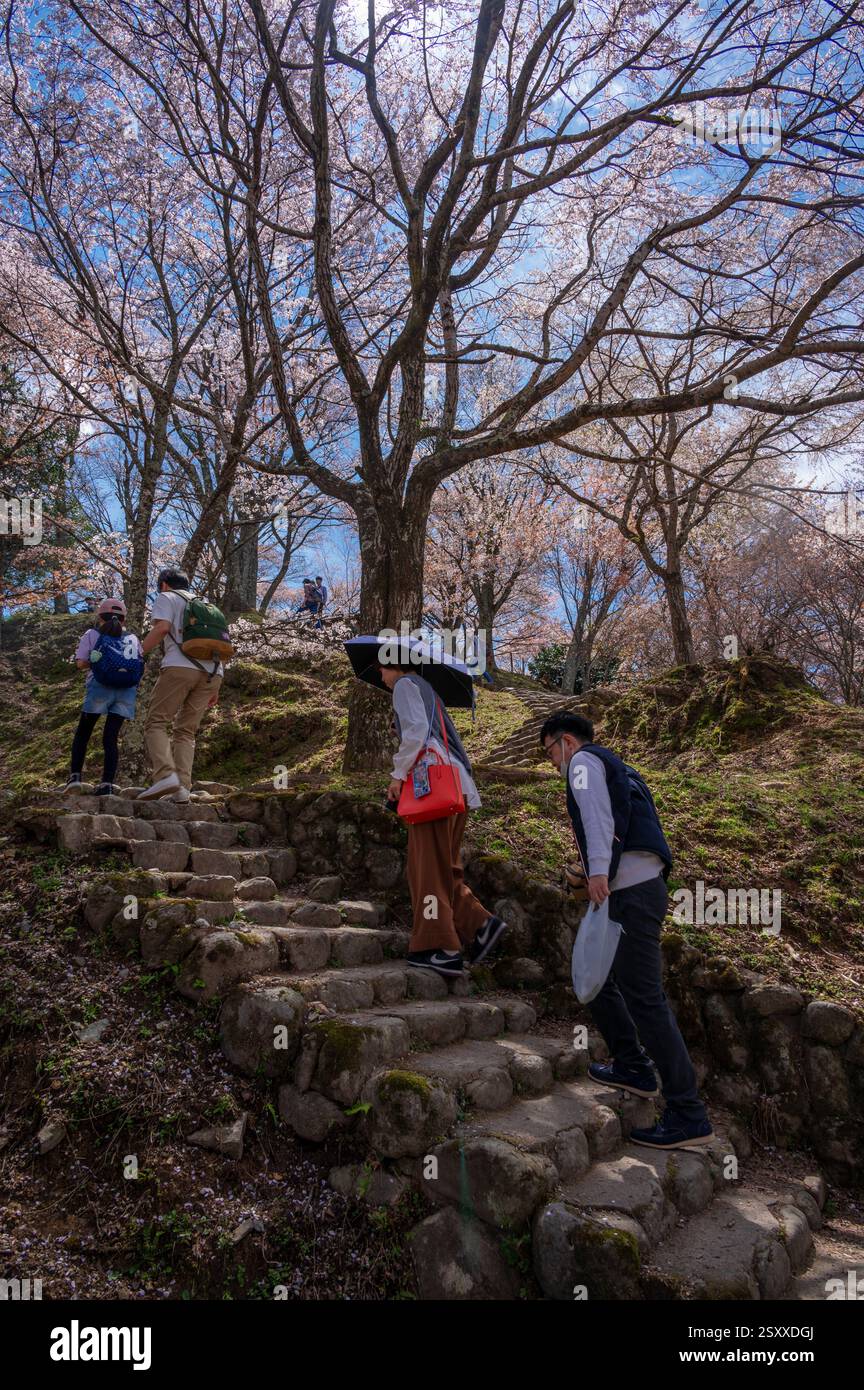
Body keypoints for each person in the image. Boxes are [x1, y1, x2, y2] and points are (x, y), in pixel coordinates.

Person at [540, 710, 713, 1151]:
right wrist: (598, 871)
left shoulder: (583, 763)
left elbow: (598, 817)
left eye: (550, 754)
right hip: (637, 888)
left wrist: (597, 871)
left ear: (566, 742)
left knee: (645, 999)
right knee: (599, 978)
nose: (553, 764)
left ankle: (688, 1113)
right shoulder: (621, 768)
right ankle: (633, 1067)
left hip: (628, 893)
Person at [380, 658, 507, 977]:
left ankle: (443, 948)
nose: (380, 676)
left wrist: (397, 774)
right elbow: (427, 729)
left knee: (426, 869)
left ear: (393, 664)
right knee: (443, 866)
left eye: (381, 668)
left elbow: (418, 732)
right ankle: (480, 925)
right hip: (454, 786)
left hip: (430, 788)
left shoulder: (405, 685)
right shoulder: (429, 691)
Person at [137, 569, 223, 803]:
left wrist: (138, 652)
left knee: (156, 722)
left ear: (164, 585)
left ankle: (165, 776)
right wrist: (215, 687)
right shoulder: (207, 604)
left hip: (180, 667)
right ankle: (182, 788)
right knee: (186, 731)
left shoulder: (167, 597)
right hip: (213, 673)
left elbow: (162, 628)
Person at [64, 598, 143, 796]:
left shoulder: (92, 634)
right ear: (124, 619)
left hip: (100, 687)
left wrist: (99, 662)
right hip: (126, 690)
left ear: (100, 616)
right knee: (111, 737)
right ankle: (107, 783)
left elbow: (81, 663)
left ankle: (75, 778)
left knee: (84, 732)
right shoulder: (133, 638)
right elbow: (140, 663)